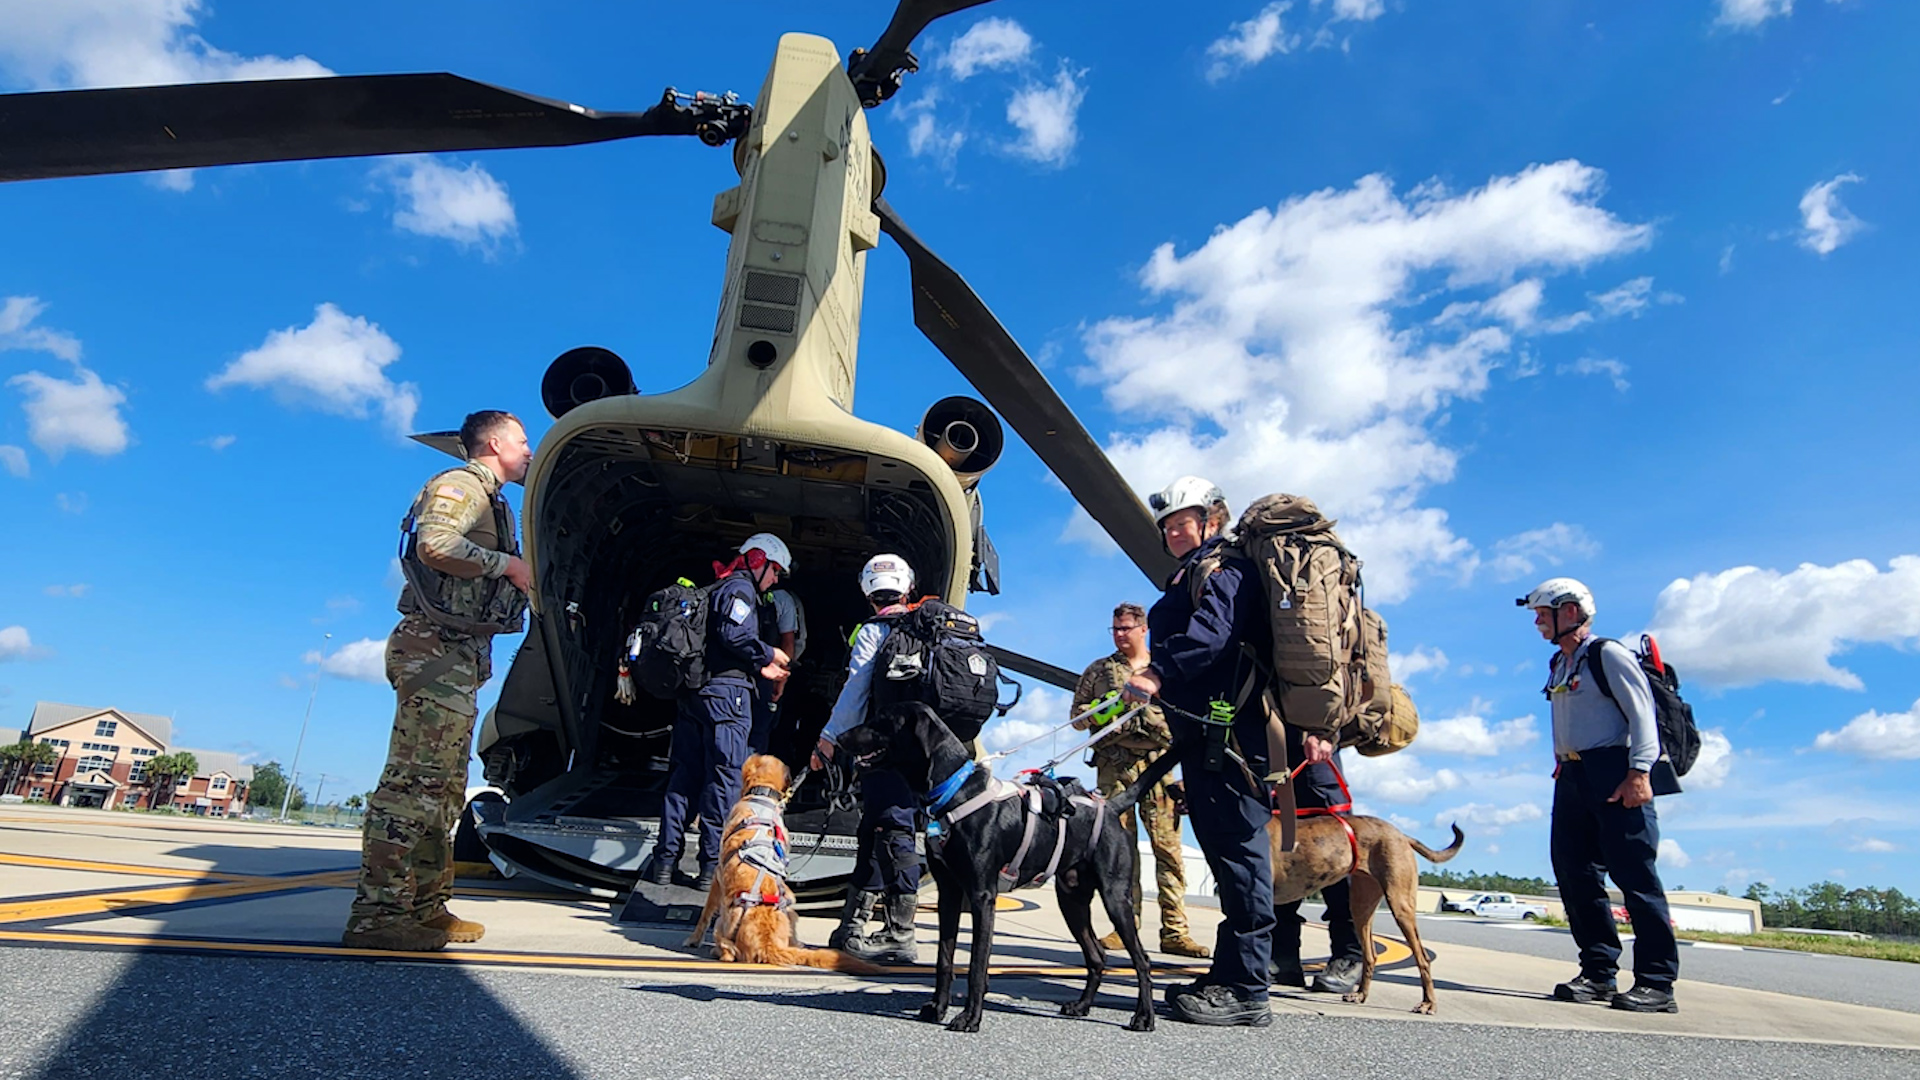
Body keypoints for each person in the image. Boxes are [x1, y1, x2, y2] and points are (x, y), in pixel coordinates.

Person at [1125, 476, 1326, 1027]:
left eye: (1181, 521)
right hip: (1211, 736)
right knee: (1227, 855)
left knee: (1240, 855)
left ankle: (1247, 990)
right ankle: (1230, 973)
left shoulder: (1224, 568)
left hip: (1232, 738)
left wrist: (1158, 673)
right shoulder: (1198, 570)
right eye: (1166, 525)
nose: (1171, 531)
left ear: (1212, 520)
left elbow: (1212, 636)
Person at [344, 410, 534, 952]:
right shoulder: (461, 486)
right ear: (494, 444)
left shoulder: (496, 502)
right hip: (433, 652)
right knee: (412, 787)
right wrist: (507, 566)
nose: (528, 450)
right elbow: (436, 544)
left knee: (444, 791)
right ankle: (377, 916)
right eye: (521, 441)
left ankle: (425, 908)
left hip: (457, 657)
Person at [1520, 577, 1679, 1014]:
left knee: (1636, 878)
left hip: (1616, 771)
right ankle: (1598, 973)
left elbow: (1643, 715)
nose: (1537, 622)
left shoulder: (1607, 655)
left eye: (1543, 613)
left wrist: (1639, 772)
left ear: (1570, 612)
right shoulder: (1560, 662)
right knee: (1576, 875)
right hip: (1573, 774)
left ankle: (1657, 983)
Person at [645, 534, 792, 891]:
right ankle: (712, 867)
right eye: (775, 570)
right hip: (727, 698)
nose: (775, 579)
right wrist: (769, 655)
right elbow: (734, 634)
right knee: (724, 780)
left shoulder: (714, 589)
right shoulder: (740, 590)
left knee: (683, 778)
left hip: (695, 694)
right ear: (758, 561)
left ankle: (665, 861)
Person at [1072, 602, 1209, 959]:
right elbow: (1077, 718)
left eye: (1126, 629)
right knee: (1119, 850)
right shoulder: (1099, 671)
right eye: (1115, 629)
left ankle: (1175, 931)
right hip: (1114, 767)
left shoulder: (1163, 668)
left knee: (1169, 849)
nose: (1119, 635)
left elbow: (1188, 715)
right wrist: (1102, 710)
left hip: (1158, 767)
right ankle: (1125, 926)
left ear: (1143, 629)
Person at [812, 553, 920, 964]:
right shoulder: (925, 631)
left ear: (867, 591)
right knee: (876, 830)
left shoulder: (875, 631)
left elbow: (856, 691)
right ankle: (851, 926)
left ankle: (900, 933)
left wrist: (828, 739)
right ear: (907, 587)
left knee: (892, 831)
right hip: (920, 753)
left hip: (884, 750)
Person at [1270, 723, 1365, 993]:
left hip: (1317, 757)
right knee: (1279, 859)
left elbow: (1360, 704)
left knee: (1336, 860)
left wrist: (1327, 735)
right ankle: (1282, 958)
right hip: (1274, 753)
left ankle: (1350, 956)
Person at [749, 584, 807, 755]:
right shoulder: (783, 598)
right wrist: (781, 679)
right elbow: (788, 642)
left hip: (748, 671)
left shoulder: (743, 592)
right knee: (763, 731)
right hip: (771, 672)